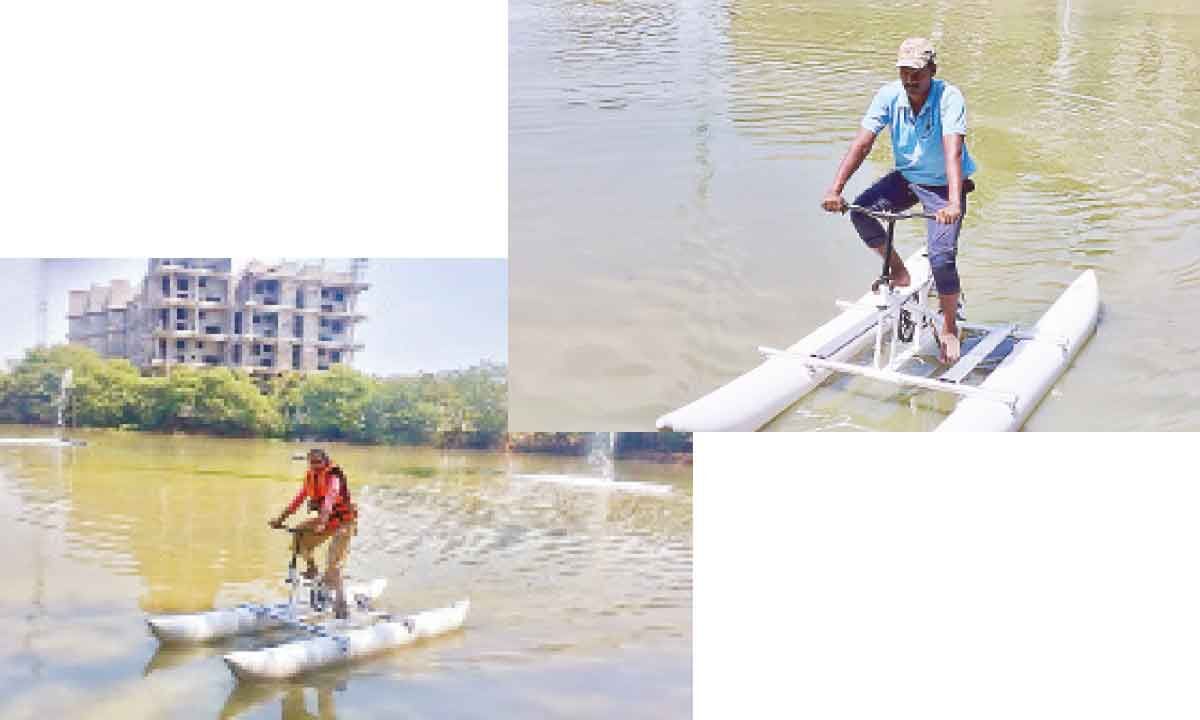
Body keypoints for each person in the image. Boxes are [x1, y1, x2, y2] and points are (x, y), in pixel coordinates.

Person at [821, 37, 977, 363]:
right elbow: (863, 144)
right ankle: (898, 271)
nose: (910, 80)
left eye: (917, 73)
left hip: (943, 185)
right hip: (907, 178)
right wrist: (835, 189)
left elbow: (953, 151)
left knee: (942, 257)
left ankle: (949, 326)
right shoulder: (889, 94)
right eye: (904, 72)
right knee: (861, 212)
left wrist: (953, 202)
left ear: (932, 70)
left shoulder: (949, 97)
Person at [269, 448, 358, 618]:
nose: (315, 466)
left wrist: (322, 522)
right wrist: (279, 520)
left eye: (318, 462)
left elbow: (329, 501)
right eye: (312, 462)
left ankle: (341, 606)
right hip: (327, 522)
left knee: (333, 563)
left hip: (344, 523)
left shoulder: (333, 478)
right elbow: (297, 501)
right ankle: (312, 570)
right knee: (299, 536)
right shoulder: (311, 478)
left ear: (326, 462)